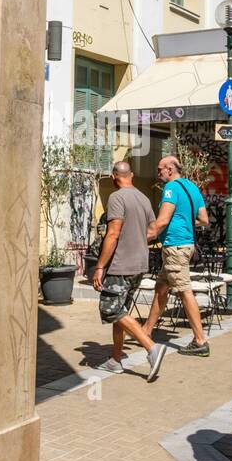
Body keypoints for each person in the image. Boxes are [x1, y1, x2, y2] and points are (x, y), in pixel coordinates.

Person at [90, 161, 169, 380]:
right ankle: (116, 359)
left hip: (120, 264)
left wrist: (99, 266)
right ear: (131, 175)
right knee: (121, 310)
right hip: (139, 263)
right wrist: (137, 242)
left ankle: (151, 347)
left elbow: (113, 233)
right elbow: (153, 230)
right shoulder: (143, 198)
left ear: (115, 176)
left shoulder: (117, 197)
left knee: (110, 309)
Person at [144, 156, 211, 356]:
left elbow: (162, 221)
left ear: (170, 169)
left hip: (175, 247)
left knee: (183, 290)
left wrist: (143, 237)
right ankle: (146, 331)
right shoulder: (192, 187)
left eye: (160, 170)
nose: (158, 174)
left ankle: (200, 341)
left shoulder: (171, 188)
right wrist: (183, 221)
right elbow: (204, 220)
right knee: (161, 288)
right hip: (186, 245)